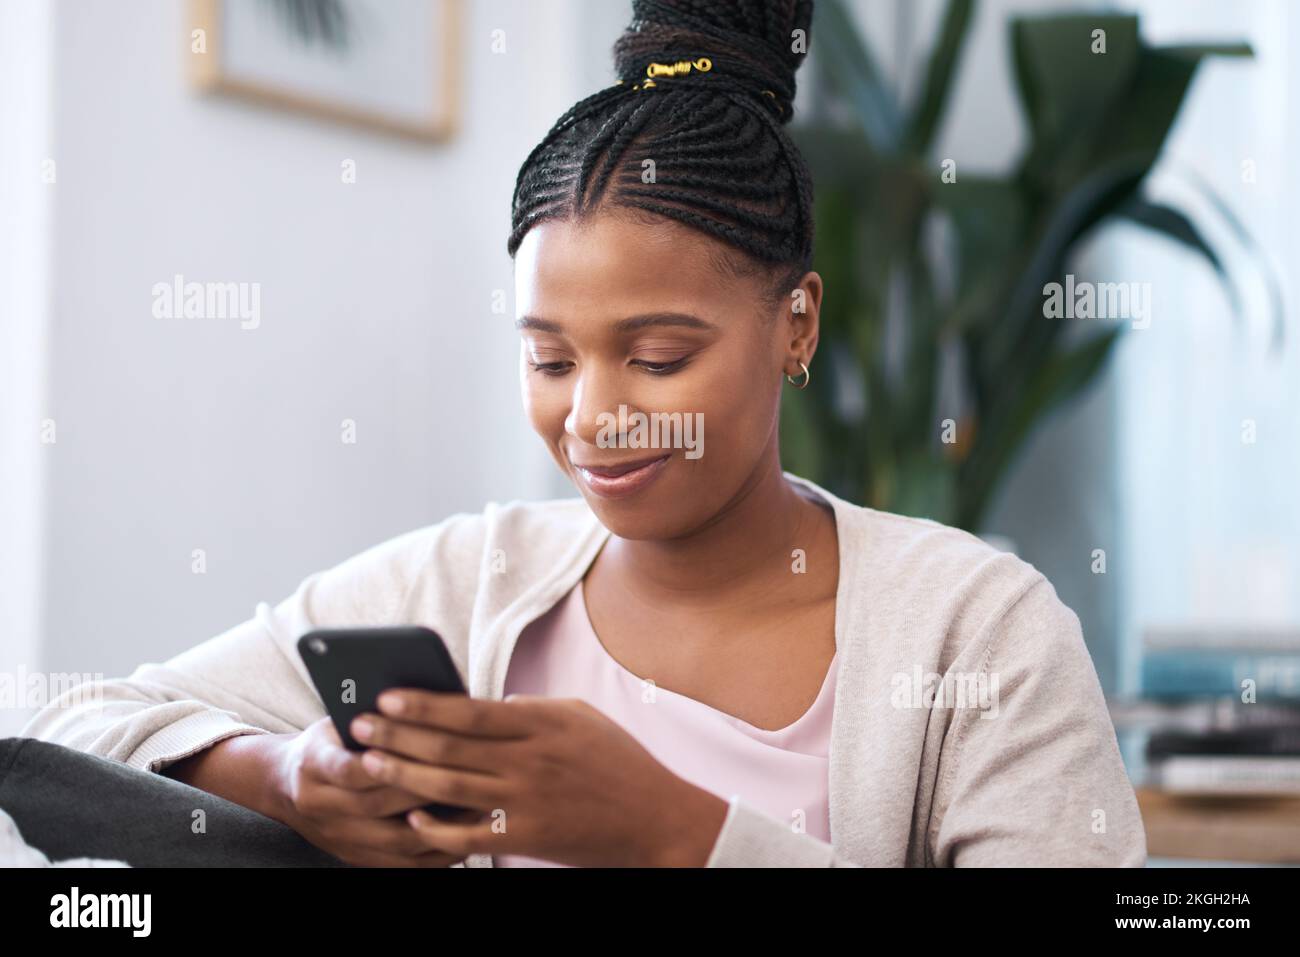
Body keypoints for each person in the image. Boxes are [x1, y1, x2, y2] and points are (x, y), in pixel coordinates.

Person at [18, 0, 1146, 868]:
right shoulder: (469, 576)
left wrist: (675, 833)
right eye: (549, 358)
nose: (593, 414)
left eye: (658, 357)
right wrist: (282, 775)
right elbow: (64, 724)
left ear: (794, 323)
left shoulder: (976, 630)